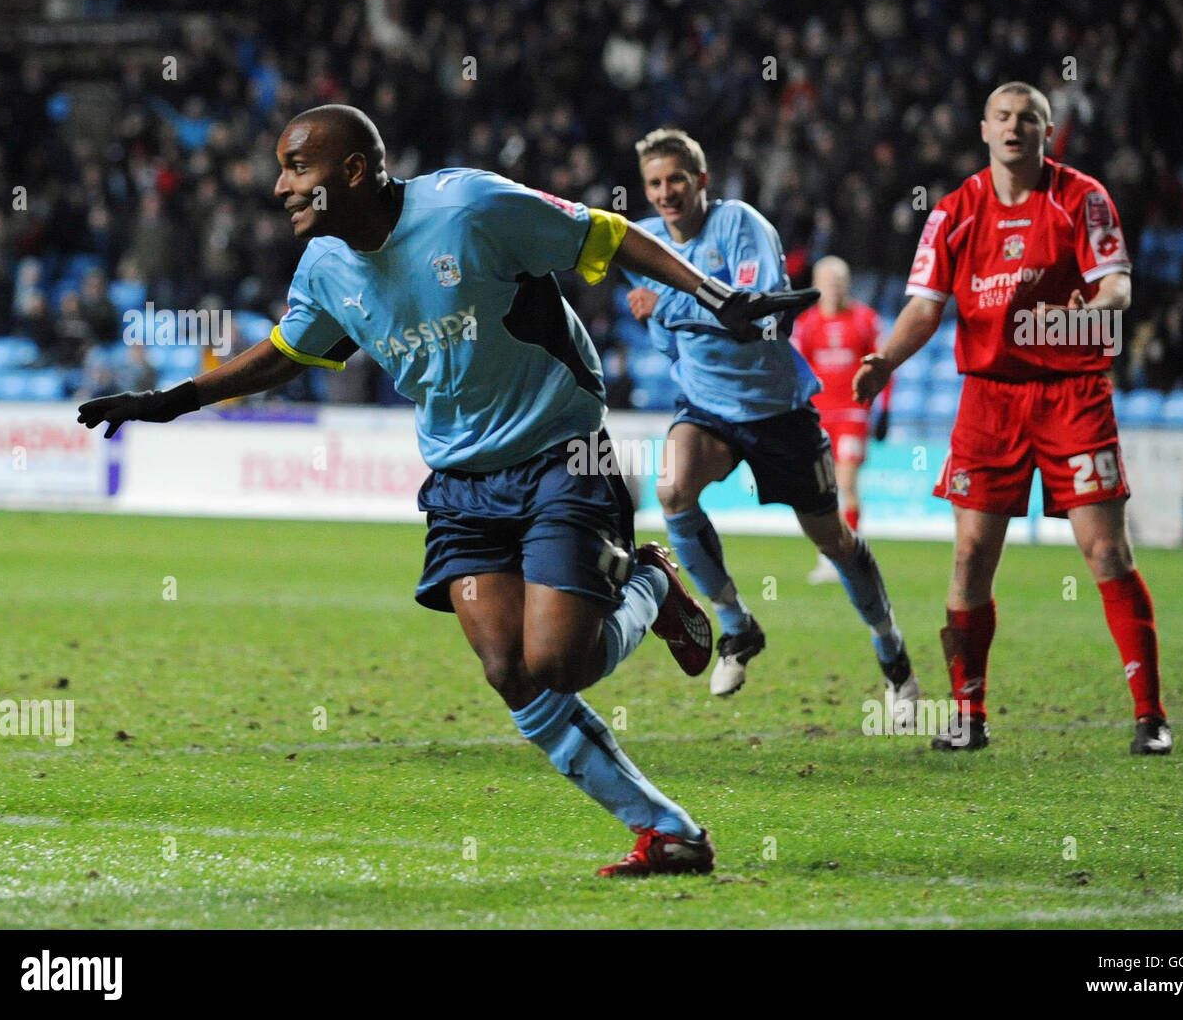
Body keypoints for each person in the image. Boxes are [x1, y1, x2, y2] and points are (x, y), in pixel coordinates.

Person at [78, 105, 817, 877]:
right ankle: (667, 831)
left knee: (559, 659)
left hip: (566, 454)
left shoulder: (470, 207)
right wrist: (172, 400)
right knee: (508, 666)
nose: (279, 187)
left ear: (355, 171)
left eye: (298, 168)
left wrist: (711, 293)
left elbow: (606, 233)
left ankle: (654, 583)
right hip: (462, 482)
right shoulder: (327, 266)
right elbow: (287, 353)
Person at [854, 82, 1172, 755]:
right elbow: (924, 306)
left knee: (1107, 550)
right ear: (984, 129)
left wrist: (1093, 309)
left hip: (1071, 390)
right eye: (1003, 116)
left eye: (1029, 118)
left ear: (1048, 132)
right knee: (969, 556)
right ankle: (969, 717)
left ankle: (1151, 715)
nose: (1015, 127)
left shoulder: (1081, 197)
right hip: (989, 398)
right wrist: (884, 362)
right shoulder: (954, 212)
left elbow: (1117, 280)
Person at [622, 128, 918, 704]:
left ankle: (890, 645)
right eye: (654, 182)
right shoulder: (646, 243)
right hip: (706, 406)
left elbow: (757, 314)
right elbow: (668, 339)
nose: (665, 192)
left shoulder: (741, 224)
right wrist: (664, 322)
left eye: (676, 179)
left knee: (833, 540)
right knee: (673, 490)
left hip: (777, 410)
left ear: (701, 180)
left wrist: (669, 307)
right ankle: (737, 626)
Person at [791, 256, 892, 583]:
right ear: (816, 286)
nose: (833, 289)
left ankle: (851, 556)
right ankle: (828, 556)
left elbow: (883, 367)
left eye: (838, 282)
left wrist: (884, 409)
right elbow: (797, 372)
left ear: (848, 284)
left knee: (846, 483)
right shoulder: (806, 323)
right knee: (824, 487)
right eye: (826, 282)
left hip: (852, 413)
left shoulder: (866, 320)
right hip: (817, 416)